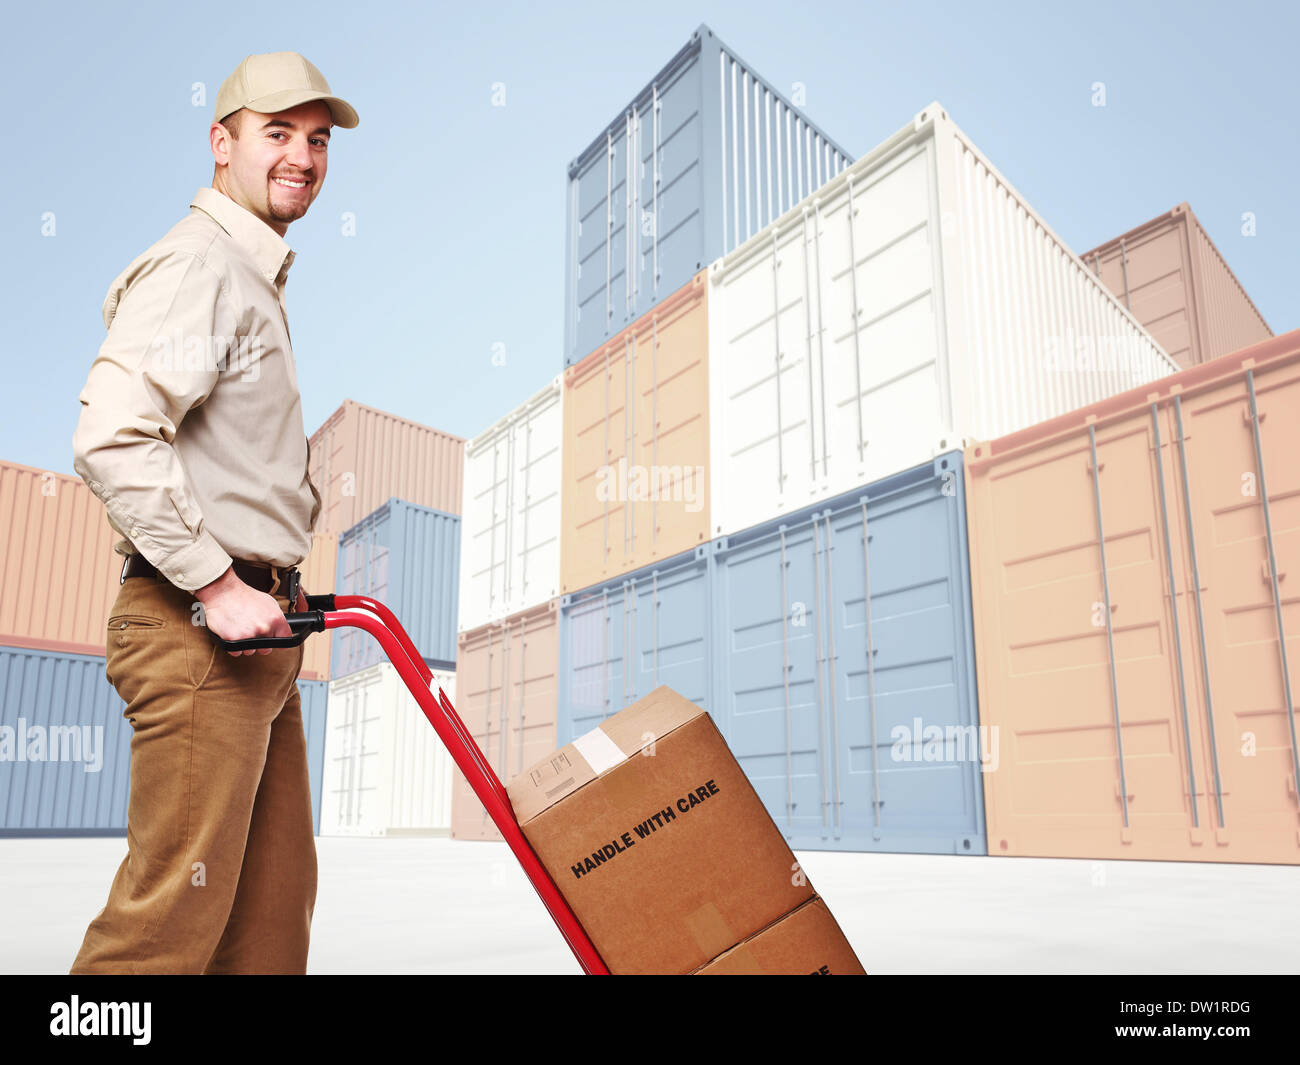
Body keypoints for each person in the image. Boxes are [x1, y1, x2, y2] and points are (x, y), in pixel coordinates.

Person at [68, 51, 358, 974]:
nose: (303, 157)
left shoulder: (252, 274)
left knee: (270, 926)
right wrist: (219, 585)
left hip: (261, 641)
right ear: (221, 143)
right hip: (199, 633)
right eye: (278, 133)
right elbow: (113, 436)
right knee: (161, 936)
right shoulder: (202, 264)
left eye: (318, 139)